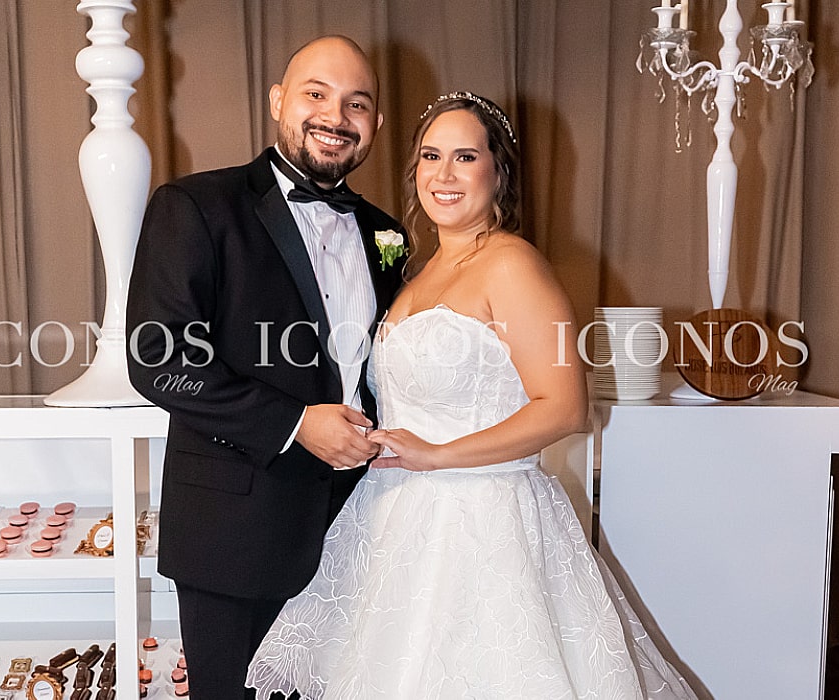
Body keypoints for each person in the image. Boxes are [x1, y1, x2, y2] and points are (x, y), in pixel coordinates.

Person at [246, 92, 698, 699]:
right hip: (396, 523)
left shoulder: (513, 265)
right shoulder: (417, 273)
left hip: (487, 521)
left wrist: (437, 454)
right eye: (432, 156)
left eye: (465, 156)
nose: (445, 174)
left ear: (497, 171)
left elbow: (565, 406)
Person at [126, 36, 404, 700]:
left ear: (376, 125)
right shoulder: (195, 207)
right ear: (279, 99)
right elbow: (158, 357)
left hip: (357, 530)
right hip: (235, 534)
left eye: (356, 103)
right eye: (316, 94)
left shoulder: (388, 235)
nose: (336, 116)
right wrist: (294, 423)